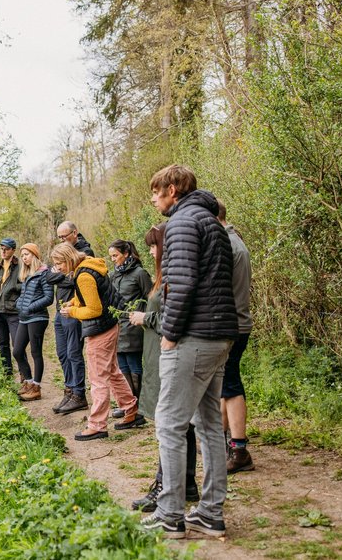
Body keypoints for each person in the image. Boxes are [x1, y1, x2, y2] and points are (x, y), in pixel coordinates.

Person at [140, 164, 238, 540]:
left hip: (193, 338)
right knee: (209, 425)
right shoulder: (211, 221)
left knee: (169, 424)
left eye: (156, 190)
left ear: (173, 189)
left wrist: (169, 333)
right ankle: (210, 512)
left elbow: (181, 284)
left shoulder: (181, 223)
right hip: (218, 337)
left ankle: (170, 515)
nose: (153, 197)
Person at [128, 224, 199, 513]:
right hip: (158, 353)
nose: (150, 251)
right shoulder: (162, 275)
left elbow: (176, 318)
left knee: (170, 424)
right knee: (179, 423)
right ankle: (186, 482)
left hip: (168, 355)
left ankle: (166, 485)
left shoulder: (173, 276)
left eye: (154, 246)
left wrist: (146, 318)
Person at [54, 242, 144, 441]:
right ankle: (131, 410)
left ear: (68, 258)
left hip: (100, 329)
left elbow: (94, 309)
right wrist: (74, 302)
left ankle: (97, 425)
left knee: (98, 377)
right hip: (109, 325)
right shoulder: (87, 265)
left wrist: (72, 312)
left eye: (59, 263)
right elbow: (89, 297)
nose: (58, 268)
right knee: (112, 372)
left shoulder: (83, 276)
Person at [217, 200, 255, 474]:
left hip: (232, 325)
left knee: (230, 385)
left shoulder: (228, 246)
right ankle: (223, 442)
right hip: (235, 322)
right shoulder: (233, 240)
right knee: (224, 384)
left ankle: (239, 448)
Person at [46, 220, 94, 414]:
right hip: (60, 309)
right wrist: (61, 275)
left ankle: (79, 394)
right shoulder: (61, 252)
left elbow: (73, 279)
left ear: (75, 233)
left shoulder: (85, 252)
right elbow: (49, 278)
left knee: (74, 352)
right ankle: (69, 389)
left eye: (64, 236)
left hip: (74, 309)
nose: (62, 240)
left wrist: (62, 276)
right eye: (59, 237)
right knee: (62, 352)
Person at [108, 240, 152, 418]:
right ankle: (128, 405)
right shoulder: (113, 275)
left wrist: (145, 319)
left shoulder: (139, 273)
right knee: (121, 366)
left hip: (134, 326)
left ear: (125, 254)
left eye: (115, 255)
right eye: (111, 256)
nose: (113, 259)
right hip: (116, 326)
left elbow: (150, 298)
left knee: (134, 364)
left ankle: (138, 405)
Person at [14, 243, 54, 401]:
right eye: (22, 255)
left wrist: (30, 307)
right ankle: (29, 382)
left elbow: (49, 297)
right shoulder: (27, 273)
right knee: (17, 351)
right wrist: (19, 304)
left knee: (35, 352)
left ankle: (36, 388)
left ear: (35, 255)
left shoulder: (44, 273)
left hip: (38, 318)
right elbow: (23, 295)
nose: (24, 257)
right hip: (24, 318)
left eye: (27, 254)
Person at [0, 238, 23, 379]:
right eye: (1, 248)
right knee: (3, 345)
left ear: (13, 250)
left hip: (13, 312)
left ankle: (23, 374)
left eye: (6, 248)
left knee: (17, 345)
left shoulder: (20, 266)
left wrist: (14, 288)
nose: (3, 251)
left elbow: (26, 284)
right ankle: (7, 374)